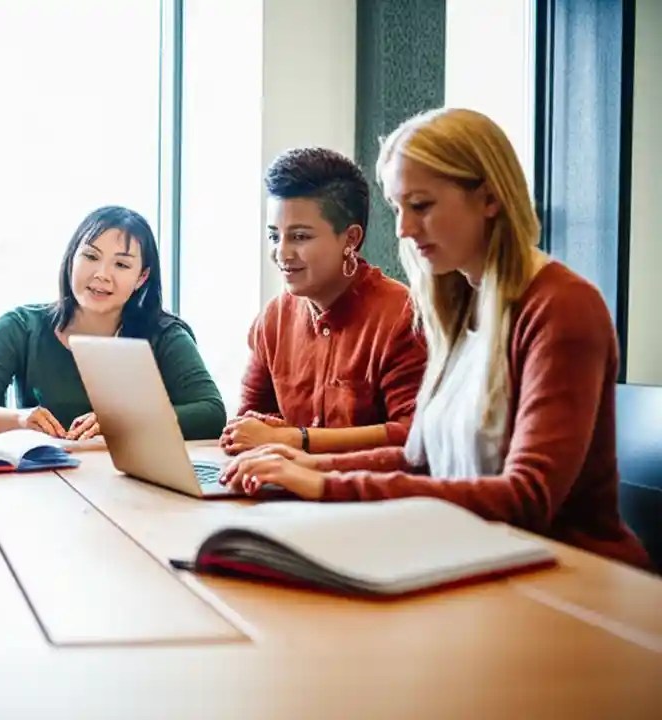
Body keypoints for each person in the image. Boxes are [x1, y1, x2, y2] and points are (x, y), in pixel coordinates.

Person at [221, 108, 651, 570]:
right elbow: (421, 460)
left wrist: (326, 483)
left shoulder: (561, 306)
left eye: (421, 206)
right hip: (478, 557)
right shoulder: (457, 303)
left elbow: (527, 497)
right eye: (398, 208)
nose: (403, 229)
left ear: (489, 198)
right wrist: (306, 465)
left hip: (574, 573)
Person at [0, 206, 225, 441]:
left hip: (133, 482)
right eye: (91, 257)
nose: (102, 274)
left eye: (121, 265)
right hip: (43, 479)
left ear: (141, 278)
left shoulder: (164, 334)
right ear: (72, 259)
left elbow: (211, 413)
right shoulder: (20, 327)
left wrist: (121, 422)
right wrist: (20, 420)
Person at [223, 148, 426, 456]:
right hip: (283, 482)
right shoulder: (274, 318)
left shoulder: (403, 317)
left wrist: (297, 439)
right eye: (274, 236)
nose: (282, 253)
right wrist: (267, 434)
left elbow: (414, 436)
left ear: (351, 239)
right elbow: (246, 425)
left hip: (367, 487)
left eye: (300, 237)